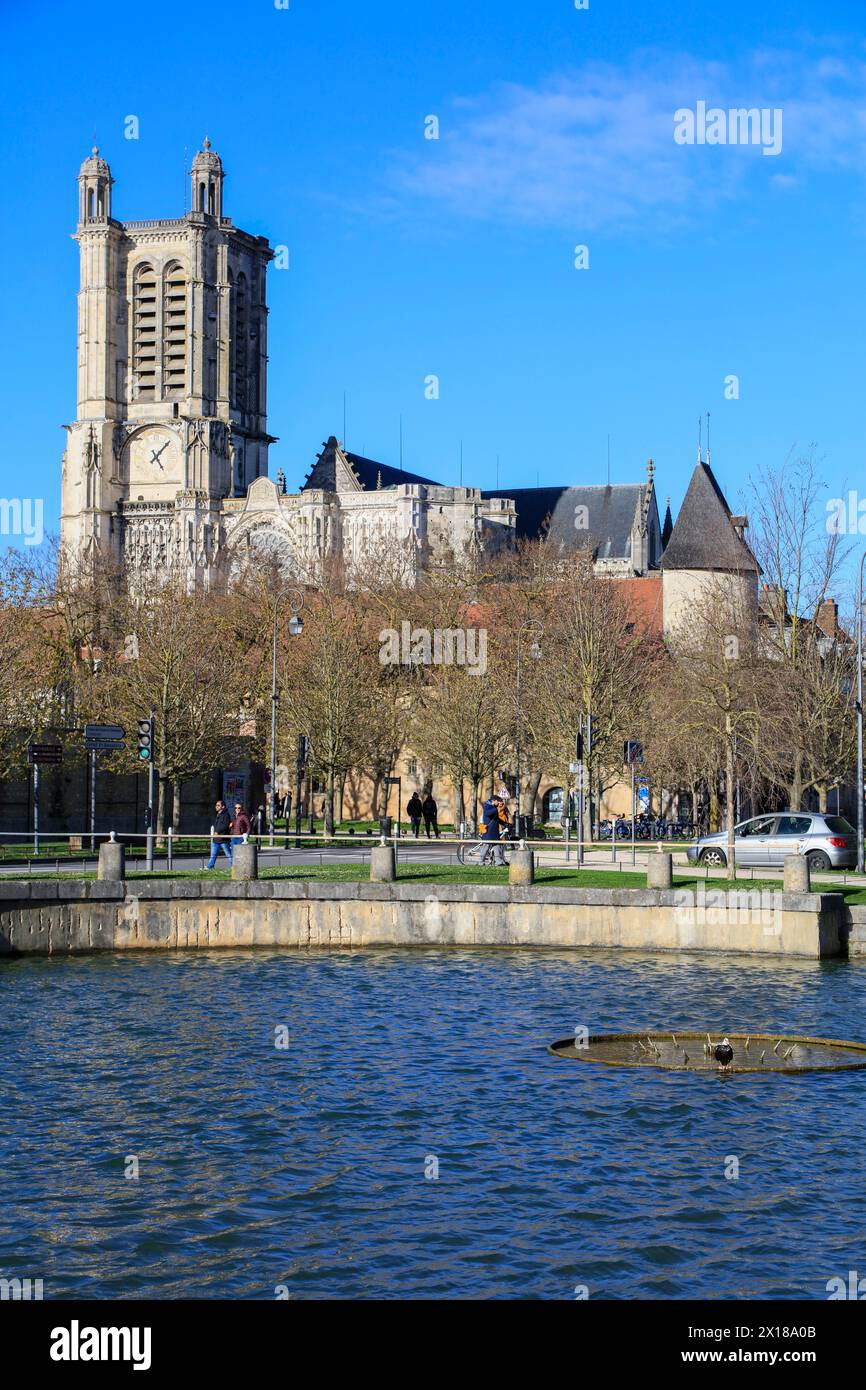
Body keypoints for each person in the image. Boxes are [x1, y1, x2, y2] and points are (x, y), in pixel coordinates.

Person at [481, 794, 507, 866]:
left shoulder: (493, 807)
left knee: (497, 846)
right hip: (489, 831)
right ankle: (481, 861)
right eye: (498, 802)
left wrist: (504, 823)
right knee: (486, 846)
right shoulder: (487, 806)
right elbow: (486, 814)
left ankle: (498, 861)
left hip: (494, 831)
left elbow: (496, 819)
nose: (499, 804)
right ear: (494, 801)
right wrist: (496, 809)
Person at [207, 799, 233, 869]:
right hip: (216, 839)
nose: (216, 807)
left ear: (223, 807)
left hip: (223, 839)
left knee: (228, 854)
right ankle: (210, 867)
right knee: (213, 854)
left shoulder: (226, 815)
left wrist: (218, 831)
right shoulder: (218, 815)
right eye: (216, 805)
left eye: (218, 805)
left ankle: (234, 866)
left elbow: (225, 825)